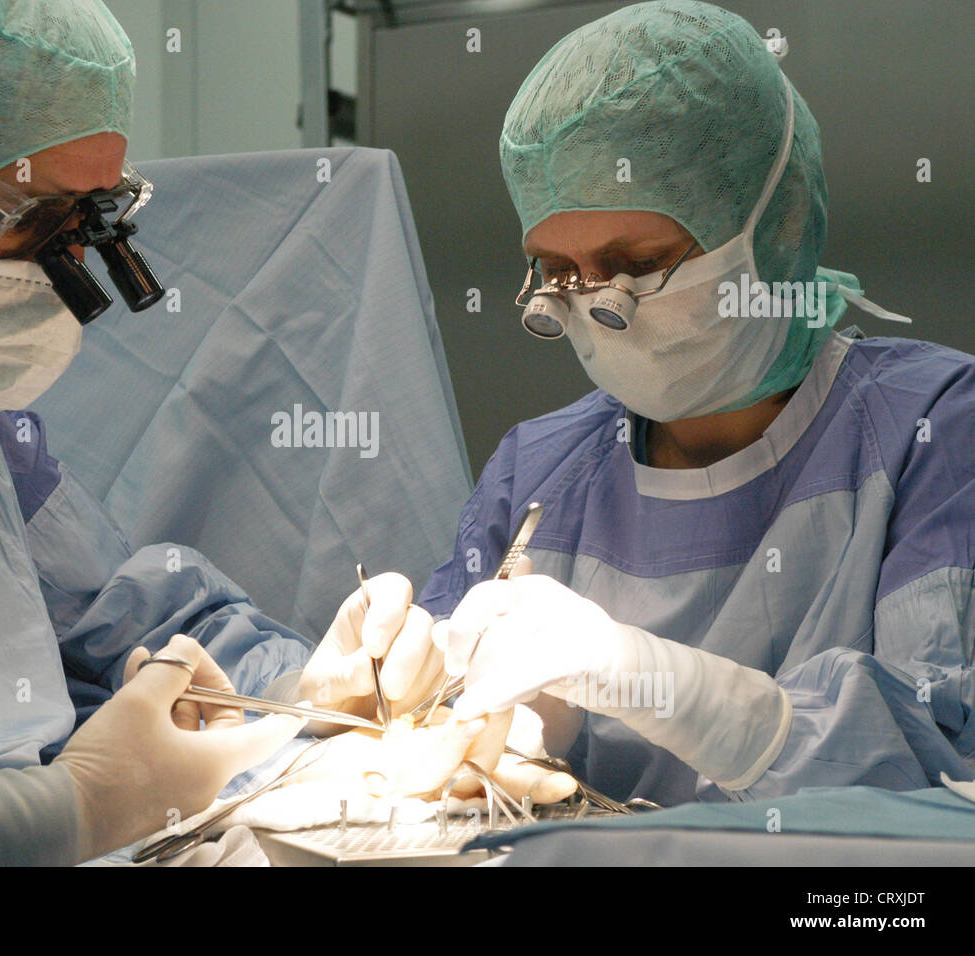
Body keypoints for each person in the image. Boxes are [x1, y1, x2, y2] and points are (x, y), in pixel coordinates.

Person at [0, 0, 488, 865]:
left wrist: (302, 692)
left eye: (91, 221)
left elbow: (122, 610)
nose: (61, 266)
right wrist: (60, 810)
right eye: (33, 220)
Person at [306, 0, 975, 806]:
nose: (597, 305)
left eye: (637, 262)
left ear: (777, 222)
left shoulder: (932, 430)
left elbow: (948, 763)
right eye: (558, 272)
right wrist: (407, 693)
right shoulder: (540, 469)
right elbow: (441, 731)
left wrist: (672, 689)